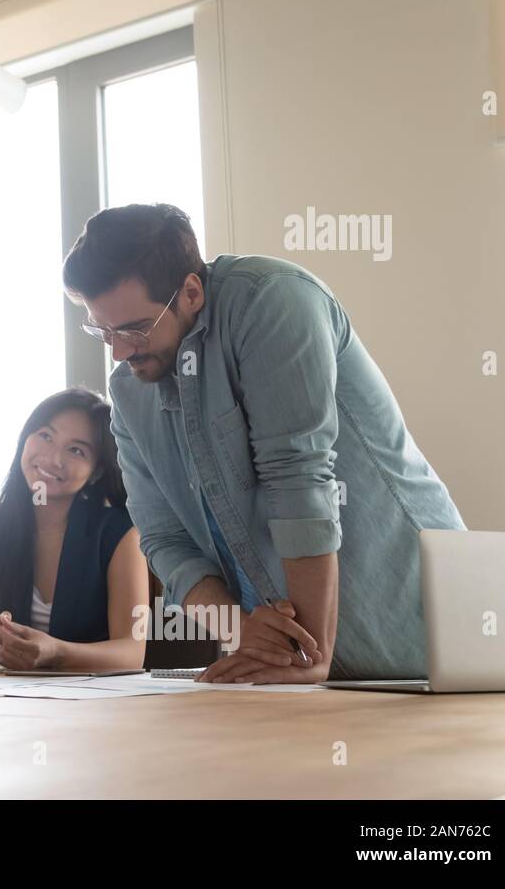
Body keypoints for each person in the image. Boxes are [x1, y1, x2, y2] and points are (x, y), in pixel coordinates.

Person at [62, 204, 465, 684]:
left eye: (134, 329)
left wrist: (308, 652)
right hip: (297, 666)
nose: (119, 351)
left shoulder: (273, 302)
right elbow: (165, 540)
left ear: (190, 292)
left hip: (420, 630)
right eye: (102, 331)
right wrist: (242, 629)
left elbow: (297, 476)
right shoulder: (129, 392)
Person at [0, 389, 148, 671]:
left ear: (96, 471)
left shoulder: (119, 532)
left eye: (76, 450)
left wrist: (56, 652)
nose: (52, 458)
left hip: (97, 706)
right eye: (45, 436)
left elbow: (132, 652)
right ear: (25, 438)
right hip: (6, 704)